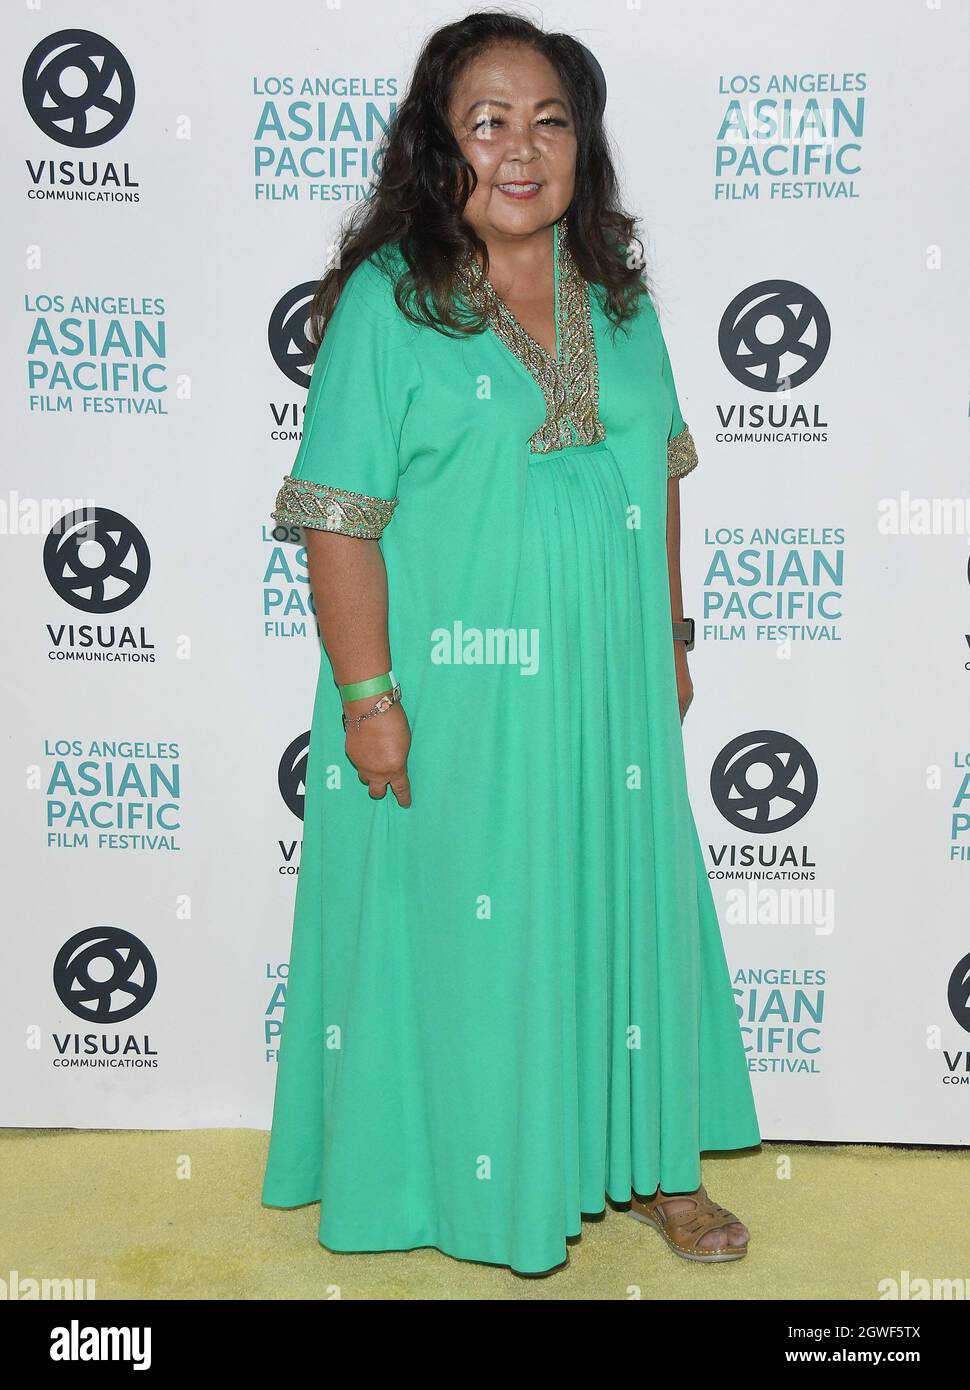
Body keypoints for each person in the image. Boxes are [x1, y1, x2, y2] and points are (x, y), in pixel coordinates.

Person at [261, 11, 761, 1276]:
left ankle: (649, 1165)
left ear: (580, 141)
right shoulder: (389, 304)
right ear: (439, 146)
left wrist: (670, 638)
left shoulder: (622, 295)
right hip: (457, 690)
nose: (523, 149)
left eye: (549, 120)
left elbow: (658, 471)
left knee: (622, 909)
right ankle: (478, 1180)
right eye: (488, 122)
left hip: (609, 688)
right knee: (479, 933)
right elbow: (338, 520)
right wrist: (368, 694)